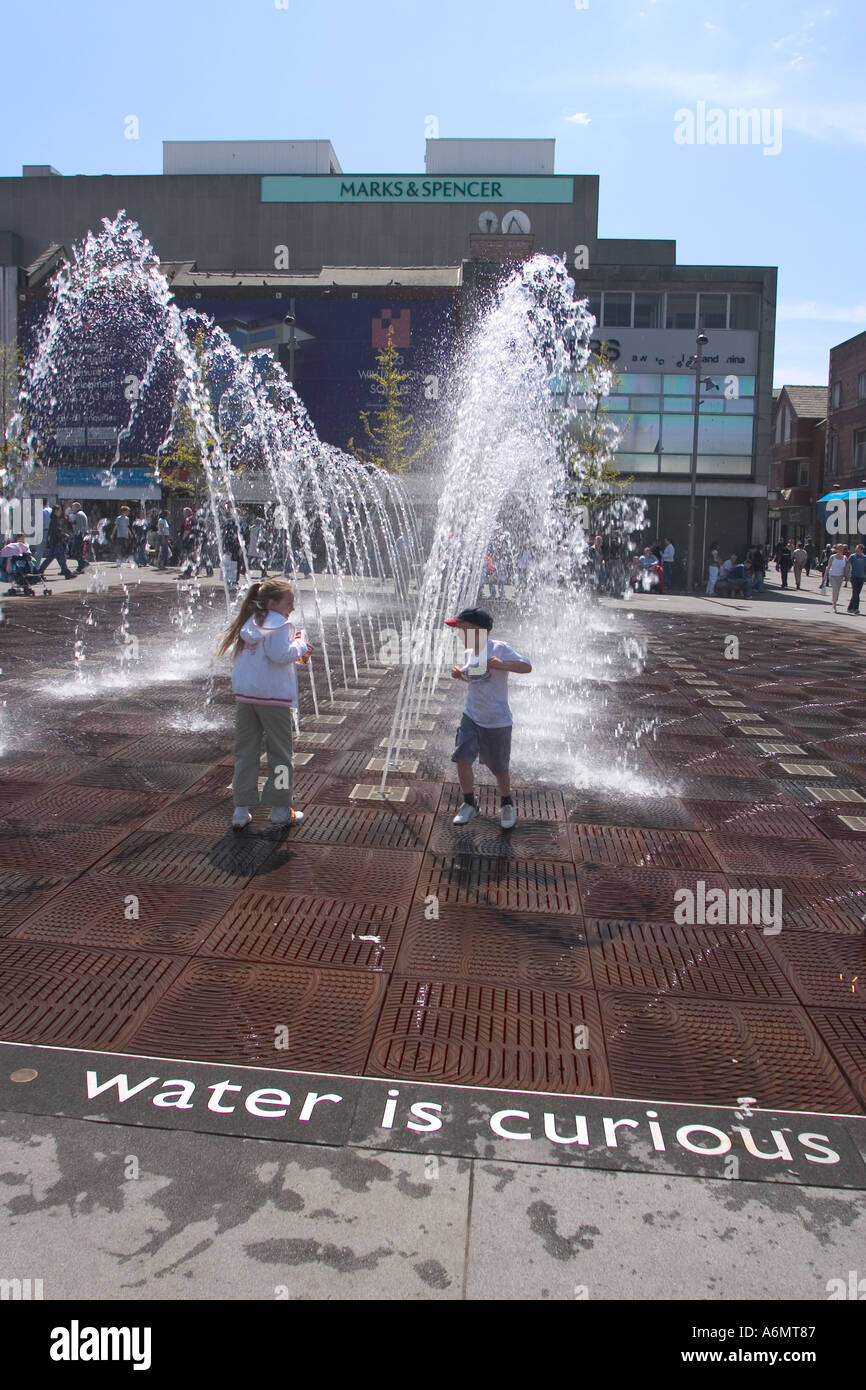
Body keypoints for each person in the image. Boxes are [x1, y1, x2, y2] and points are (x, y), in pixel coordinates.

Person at [215, 578, 313, 831]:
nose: (292, 608)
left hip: (247, 696)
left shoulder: (251, 621)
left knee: (245, 752)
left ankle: (241, 809)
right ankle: (280, 808)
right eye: (288, 602)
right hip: (273, 697)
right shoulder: (279, 624)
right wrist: (301, 644)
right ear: (272, 602)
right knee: (280, 754)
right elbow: (280, 655)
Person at [445, 606, 532, 831]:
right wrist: (460, 675)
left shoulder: (499, 648)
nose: (461, 635)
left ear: (481, 631)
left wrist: (501, 665)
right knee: (462, 758)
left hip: (497, 720)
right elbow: (476, 680)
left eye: (465, 630)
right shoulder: (468, 654)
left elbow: (527, 666)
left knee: (499, 767)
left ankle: (506, 804)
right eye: (460, 631)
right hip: (471, 715)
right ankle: (469, 802)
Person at [37, 504, 74, 579]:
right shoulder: (54, 519)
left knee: (61, 557)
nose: (61, 512)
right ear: (56, 511)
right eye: (59, 510)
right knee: (51, 558)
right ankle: (39, 571)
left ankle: (66, 571)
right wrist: (64, 535)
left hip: (55, 541)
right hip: (56, 541)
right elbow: (56, 531)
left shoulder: (54, 518)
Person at [67, 501, 89, 573]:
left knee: (77, 552)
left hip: (79, 536)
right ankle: (83, 565)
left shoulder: (79, 515)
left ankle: (82, 566)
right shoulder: (82, 514)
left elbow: (78, 527)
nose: (72, 509)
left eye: (73, 507)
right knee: (79, 552)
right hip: (82, 535)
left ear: (77, 507)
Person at [826, 543, 848, 613]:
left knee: (837, 591)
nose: (841, 550)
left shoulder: (845, 558)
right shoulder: (833, 557)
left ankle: (834, 603)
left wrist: (846, 576)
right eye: (839, 548)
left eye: (842, 549)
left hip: (840, 576)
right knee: (835, 589)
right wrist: (824, 577)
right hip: (832, 575)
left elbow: (846, 568)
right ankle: (834, 606)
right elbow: (828, 567)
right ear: (836, 549)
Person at [845, 544, 865, 615]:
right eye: (856, 548)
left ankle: (850, 608)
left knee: (856, 593)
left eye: (858, 549)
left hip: (861, 577)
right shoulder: (852, 556)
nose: (856, 550)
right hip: (854, 577)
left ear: (862, 550)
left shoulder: (864, 557)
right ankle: (856, 608)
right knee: (856, 593)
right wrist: (846, 574)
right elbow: (847, 565)